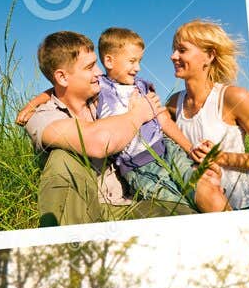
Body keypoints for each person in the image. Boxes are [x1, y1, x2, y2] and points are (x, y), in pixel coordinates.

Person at [19, 30, 219, 226]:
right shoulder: (40, 116)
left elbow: (160, 116)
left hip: (129, 202)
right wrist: (138, 114)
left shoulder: (102, 97)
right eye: (90, 67)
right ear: (62, 77)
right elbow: (97, 142)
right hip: (88, 210)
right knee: (61, 158)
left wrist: (191, 150)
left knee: (186, 213)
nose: (99, 72)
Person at [166, 19, 249, 210]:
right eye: (174, 50)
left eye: (182, 50)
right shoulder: (173, 104)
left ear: (209, 56)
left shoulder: (234, 97)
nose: (173, 56)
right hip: (201, 208)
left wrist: (221, 157)